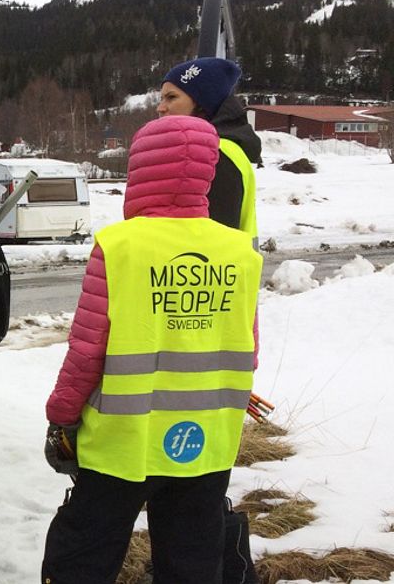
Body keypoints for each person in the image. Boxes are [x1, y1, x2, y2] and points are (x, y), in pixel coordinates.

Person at [40, 115, 262, 584]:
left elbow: (87, 350)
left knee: (84, 552)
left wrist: (62, 414)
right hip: (206, 442)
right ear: (208, 169)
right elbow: (249, 349)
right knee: (193, 559)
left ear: (140, 167)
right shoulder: (240, 251)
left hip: (123, 438)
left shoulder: (120, 245)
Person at [157, 57, 262, 244]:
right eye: (161, 98)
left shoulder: (215, 155)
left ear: (202, 103)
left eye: (171, 97)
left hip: (212, 269)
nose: (160, 108)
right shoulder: (214, 149)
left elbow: (214, 241)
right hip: (230, 269)